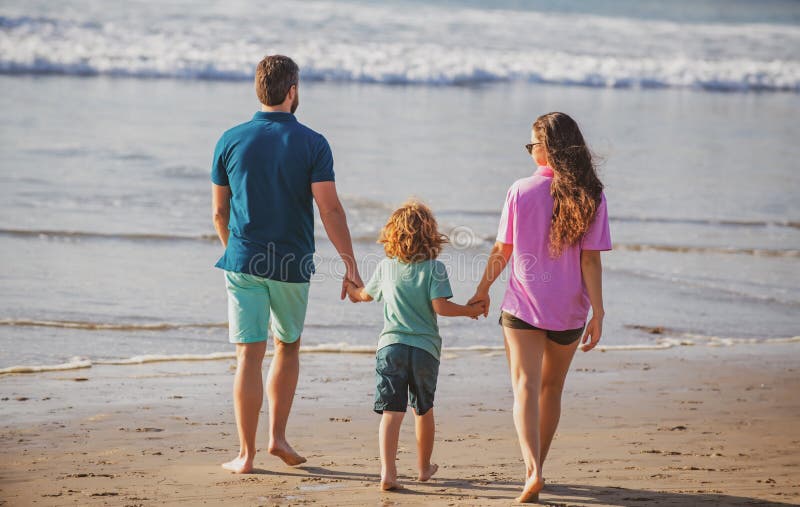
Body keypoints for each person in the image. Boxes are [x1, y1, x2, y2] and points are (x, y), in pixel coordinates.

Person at [211, 54, 363, 474]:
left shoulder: (229, 139)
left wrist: (236, 252)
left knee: (248, 356)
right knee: (287, 346)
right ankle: (277, 436)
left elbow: (219, 214)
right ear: (292, 91)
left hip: (242, 261)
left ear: (258, 90)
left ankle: (245, 454)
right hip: (292, 265)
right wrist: (350, 266)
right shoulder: (313, 142)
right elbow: (330, 210)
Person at [468, 112, 612, 503]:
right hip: (569, 310)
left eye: (534, 144)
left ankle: (533, 469)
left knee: (525, 388)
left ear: (549, 148)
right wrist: (598, 312)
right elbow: (590, 261)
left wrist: (482, 290)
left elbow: (502, 250)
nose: (531, 150)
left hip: (523, 306)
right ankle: (538, 466)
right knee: (552, 389)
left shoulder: (520, 190)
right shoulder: (592, 194)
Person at [345, 200, 485, 491]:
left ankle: (388, 472)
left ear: (391, 234)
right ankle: (423, 468)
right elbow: (441, 307)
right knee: (423, 409)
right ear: (430, 234)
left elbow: (364, 296)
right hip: (424, 350)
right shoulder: (435, 268)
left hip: (391, 347)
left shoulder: (385, 267)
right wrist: (469, 310)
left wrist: (352, 289)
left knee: (391, 412)